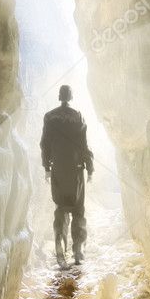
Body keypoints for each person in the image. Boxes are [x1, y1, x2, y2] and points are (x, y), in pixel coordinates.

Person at [40, 85, 94, 266]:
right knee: (78, 209)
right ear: (71, 97)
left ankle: (60, 244)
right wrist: (90, 167)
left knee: (61, 208)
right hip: (75, 169)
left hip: (58, 170)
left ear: (58, 97)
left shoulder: (49, 117)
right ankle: (78, 249)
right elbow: (84, 145)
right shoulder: (78, 116)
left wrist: (46, 167)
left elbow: (44, 144)